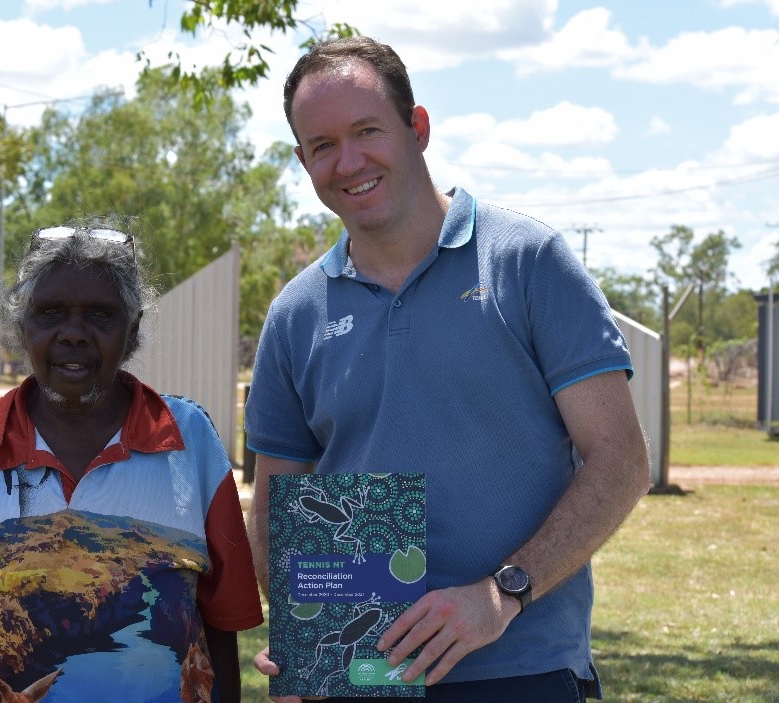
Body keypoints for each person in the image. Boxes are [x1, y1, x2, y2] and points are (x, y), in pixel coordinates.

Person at [244, 36, 650, 702]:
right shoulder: (296, 313)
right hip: (361, 678)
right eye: (321, 146)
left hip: (524, 670)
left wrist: (503, 593)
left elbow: (620, 460)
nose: (348, 161)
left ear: (418, 128)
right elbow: (274, 507)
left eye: (367, 130)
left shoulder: (526, 261)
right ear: (303, 161)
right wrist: (303, 638)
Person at [0, 220, 263, 703]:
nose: (74, 334)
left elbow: (220, 630)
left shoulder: (189, 439)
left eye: (101, 315)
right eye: (50, 312)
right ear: (20, 326)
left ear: (132, 333)